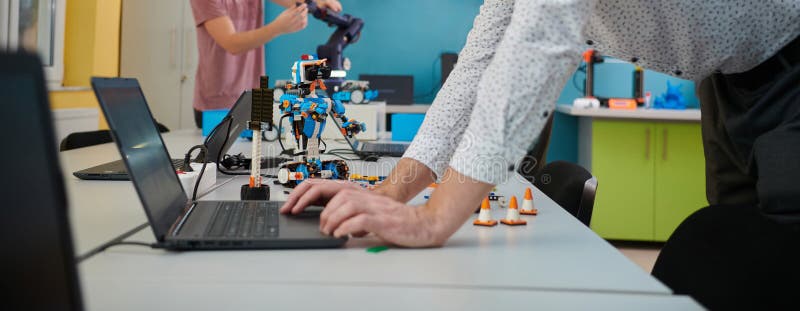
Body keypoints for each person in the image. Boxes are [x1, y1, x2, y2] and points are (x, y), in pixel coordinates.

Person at [280, 0, 800, 247]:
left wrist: (433, 219)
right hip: (728, 74)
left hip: (789, 59)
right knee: (746, 248)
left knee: (782, 249)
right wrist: (392, 194)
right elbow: (477, 68)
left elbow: (539, 43)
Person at [190, 0, 343, 128]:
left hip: (253, 99)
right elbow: (232, 43)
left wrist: (315, 2)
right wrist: (277, 28)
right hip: (217, 104)